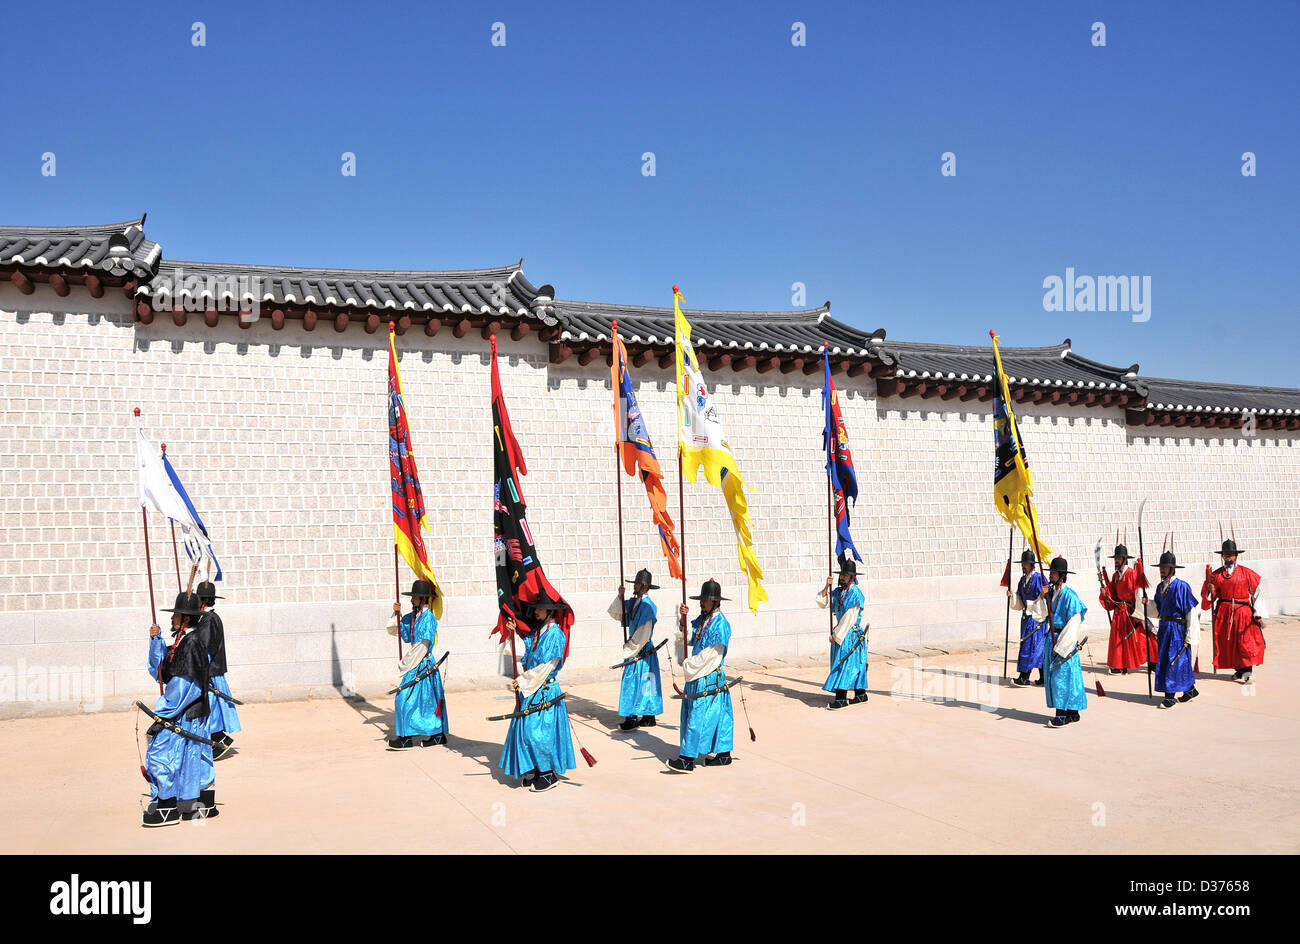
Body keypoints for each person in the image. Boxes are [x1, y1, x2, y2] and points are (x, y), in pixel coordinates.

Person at [142, 592, 216, 826]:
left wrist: (163, 712)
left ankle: (167, 809)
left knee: (162, 755)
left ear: (185, 618)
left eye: (175, 614)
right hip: (186, 710)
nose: (172, 618)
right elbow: (161, 672)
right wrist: (156, 641)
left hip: (184, 711)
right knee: (192, 755)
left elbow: (185, 685)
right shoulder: (182, 640)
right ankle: (201, 804)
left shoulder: (192, 643)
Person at [498, 590, 576, 792]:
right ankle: (535, 769)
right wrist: (513, 634)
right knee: (525, 731)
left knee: (539, 733)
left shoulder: (555, 634)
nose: (536, 613)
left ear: (550, 612)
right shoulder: (537, 633)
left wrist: (523, 680)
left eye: (540, 609)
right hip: (533, 689)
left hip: (545, 689)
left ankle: (548, 774)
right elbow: (523, 651)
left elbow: (548, 665)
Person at [667, 579, 735, 772]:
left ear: (715, 602)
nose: (701, 602)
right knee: (717, 717)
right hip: (700, 675)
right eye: (702, 599)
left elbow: (712, 654)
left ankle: (687, 759)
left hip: (707, 675)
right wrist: (683, 621)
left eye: (705, 600)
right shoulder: (704, 619)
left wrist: (689, 665)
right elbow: (690, 638)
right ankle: (723, 755)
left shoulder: (721, 624)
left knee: (698, 718)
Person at [387, 579, 448, 750]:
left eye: (414, 597)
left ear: (422, 598)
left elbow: (423, 644)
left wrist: (408, 663)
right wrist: (397, 614)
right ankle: (412, 736)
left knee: (410, 699)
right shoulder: (414, 617)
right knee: (415, 701)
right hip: (415, 662)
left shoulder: (428, 618)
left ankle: (425, 735)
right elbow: (403, 634)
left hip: (422, 663)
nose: (411, 600)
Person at [1202, 539, 1267, 683]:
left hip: (1243, 612)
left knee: (1245, 641)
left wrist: (1258, 613)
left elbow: (1257, 594)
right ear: (1222, 556)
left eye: (1231, 555)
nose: (1228, 557)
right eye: (1226, 555)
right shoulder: (1216, 575)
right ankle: (1239, 671)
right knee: (1229, 643)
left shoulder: (1246, 573)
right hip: (1224, 613)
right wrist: (1209, 591)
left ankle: (1248, 672)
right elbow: (1208, 600)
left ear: (1236, 556)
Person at [608, 568, 664, 731]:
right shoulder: (634, 602)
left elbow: (643, 632)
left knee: (638, 683)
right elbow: (617, 613)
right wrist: (620, 596)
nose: (636, 586)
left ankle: (633, 717)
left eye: (638, 584)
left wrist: (631, 647)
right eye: (636, 583)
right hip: (637, 647)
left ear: (645, 587)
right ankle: (647, 716)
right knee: (644, 682)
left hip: (641, 648)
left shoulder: (648, 607)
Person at [1146, 549, 1201, 708]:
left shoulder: (1182, 587)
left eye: (1165, 567)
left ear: (1172, 568)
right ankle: (1190, 690)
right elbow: (1157, 610)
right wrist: (1146, 603)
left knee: (1175, 660)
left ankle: (1169, 696)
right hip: (1165, 628)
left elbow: (1190, 612)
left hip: (1177, 629)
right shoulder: (1159, 587)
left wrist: (1190, 636)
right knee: (1166, 661)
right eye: (1161, 567)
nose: (1162, 570)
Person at [196, 580, 239, 758]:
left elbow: (203, 647)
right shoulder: (205, 618)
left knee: (210, 709)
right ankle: (217, 740)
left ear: (202, 600)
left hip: (209, 671)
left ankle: (217, 743)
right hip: (209, 670)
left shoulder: (208, 620)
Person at [1043, 558, 1088, 728]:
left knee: (1061, 678)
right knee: (1060, 677)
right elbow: (1044, 615)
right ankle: (1072, 713)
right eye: (1051, 572)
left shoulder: (1070, 595)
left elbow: (1074, 622)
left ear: (1061, 575)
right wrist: (1043, 597)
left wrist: (1061, 647)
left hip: (1063, 642)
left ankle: (1061, 715)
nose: (1051, 575)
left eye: (1053, 573)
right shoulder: (1051, 594)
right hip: (1052, 638)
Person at [817, 557, 868, 708]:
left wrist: (836, 635)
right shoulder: (839, 591)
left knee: (845, 664)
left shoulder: (855, 594)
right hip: (844, 634)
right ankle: (861, 694)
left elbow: (849, 617)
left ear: (853, 577)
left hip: (849, 634)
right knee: (854, 665)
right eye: (842, 574)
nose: (843, 577)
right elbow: (823, 602)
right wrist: (827, 585)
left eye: (846, 575)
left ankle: (841, 699)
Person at [1099, 543, 1155, 675]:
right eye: (1115, 558)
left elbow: (1139, 593)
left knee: (1141, 636)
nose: (1116, 561)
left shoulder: (1133, 574)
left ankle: (1153, 661)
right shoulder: (1115, 576)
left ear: (1125, 559)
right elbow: (1112, 593)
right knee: (1119, 639)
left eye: (1118, 558)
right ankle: (1119, 665)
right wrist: (1105, 592)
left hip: (1131, 610)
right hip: (1120, 611)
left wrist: (1139, 610)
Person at [1007, 549, 1047, 687]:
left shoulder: (1039, 578)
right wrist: (1013, 596)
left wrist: (1042, 596)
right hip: (1026, 618)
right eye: (1022, 563)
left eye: (1025, 563)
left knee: (1032, 648)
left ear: (1031, 564)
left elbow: (1047, 596)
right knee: (1034, 648)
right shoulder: (1023, 580)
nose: (1023, 566)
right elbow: (1020, 598)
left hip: (1037, 618)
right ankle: (1043, 677)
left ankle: (1024, 677)